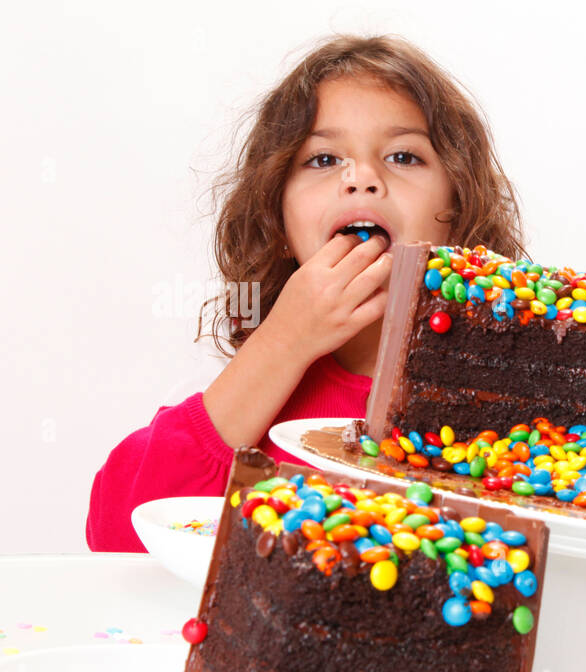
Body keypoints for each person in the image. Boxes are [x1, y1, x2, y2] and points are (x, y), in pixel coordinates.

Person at [86, 34, 524, 552]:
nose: (362, 178)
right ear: (278, 217)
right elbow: (118, 532)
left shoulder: (515, 404)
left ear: (458, 207)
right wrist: (282, 345)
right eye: (322, 160)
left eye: (403, 156)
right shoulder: (254, 398)